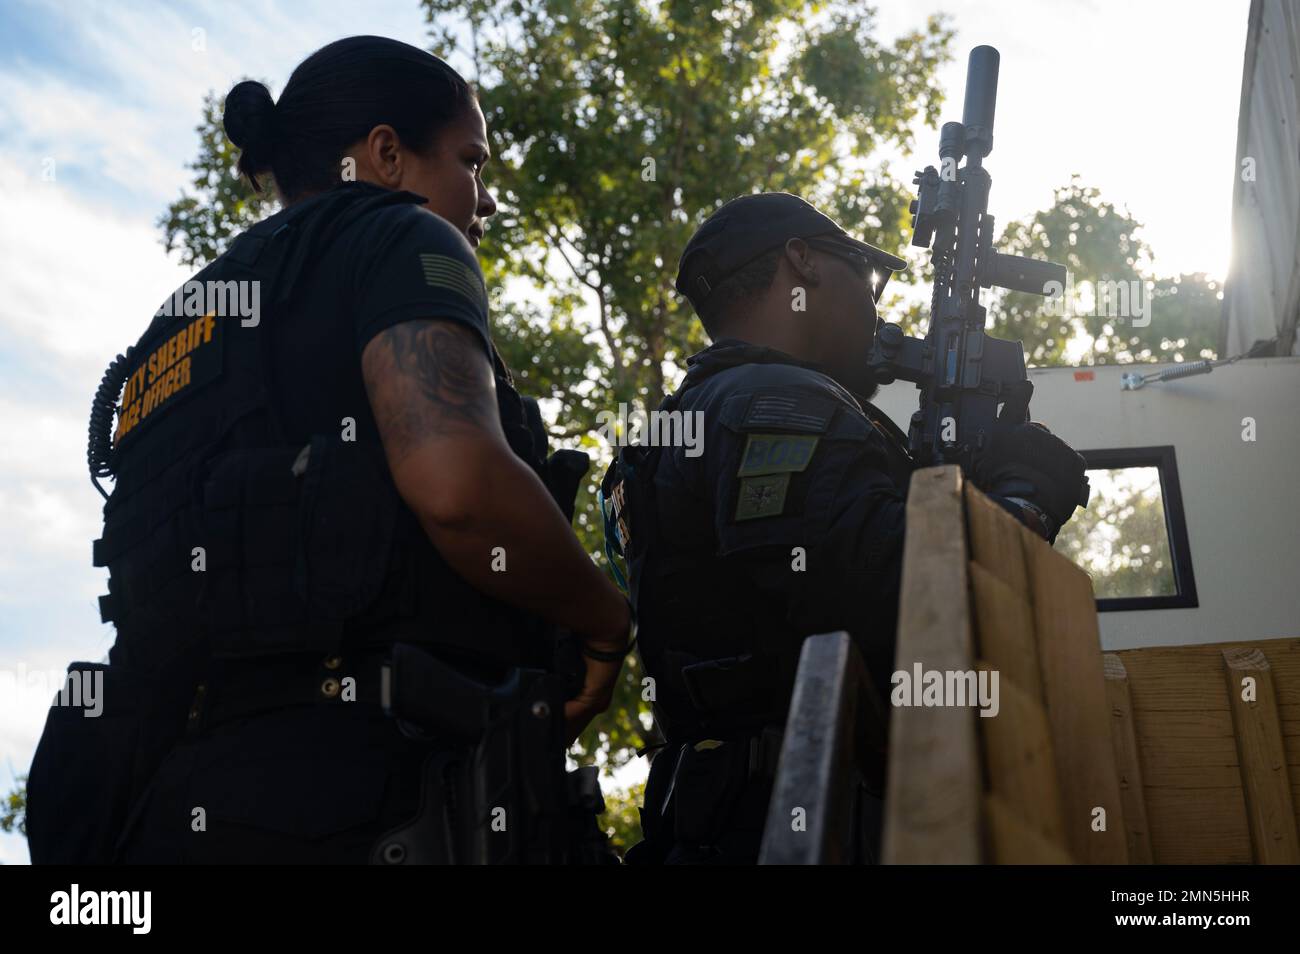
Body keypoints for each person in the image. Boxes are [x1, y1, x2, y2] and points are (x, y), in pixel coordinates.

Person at [27, 35, 631, 865]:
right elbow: (457, 485)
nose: (483, 200)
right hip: (376, 798)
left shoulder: (184, 318)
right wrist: (603, 620)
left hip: (167, 808)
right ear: (387, 153)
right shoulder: (400, 235)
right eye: (472, 161)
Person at [604, 192, 1087, 865]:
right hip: (818, 817)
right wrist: (1023, 502)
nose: (874, 305)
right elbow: (892, 597)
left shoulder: (668, 429)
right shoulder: (778, 403)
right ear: (802, 262)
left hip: (729, 813)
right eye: (865, 275)